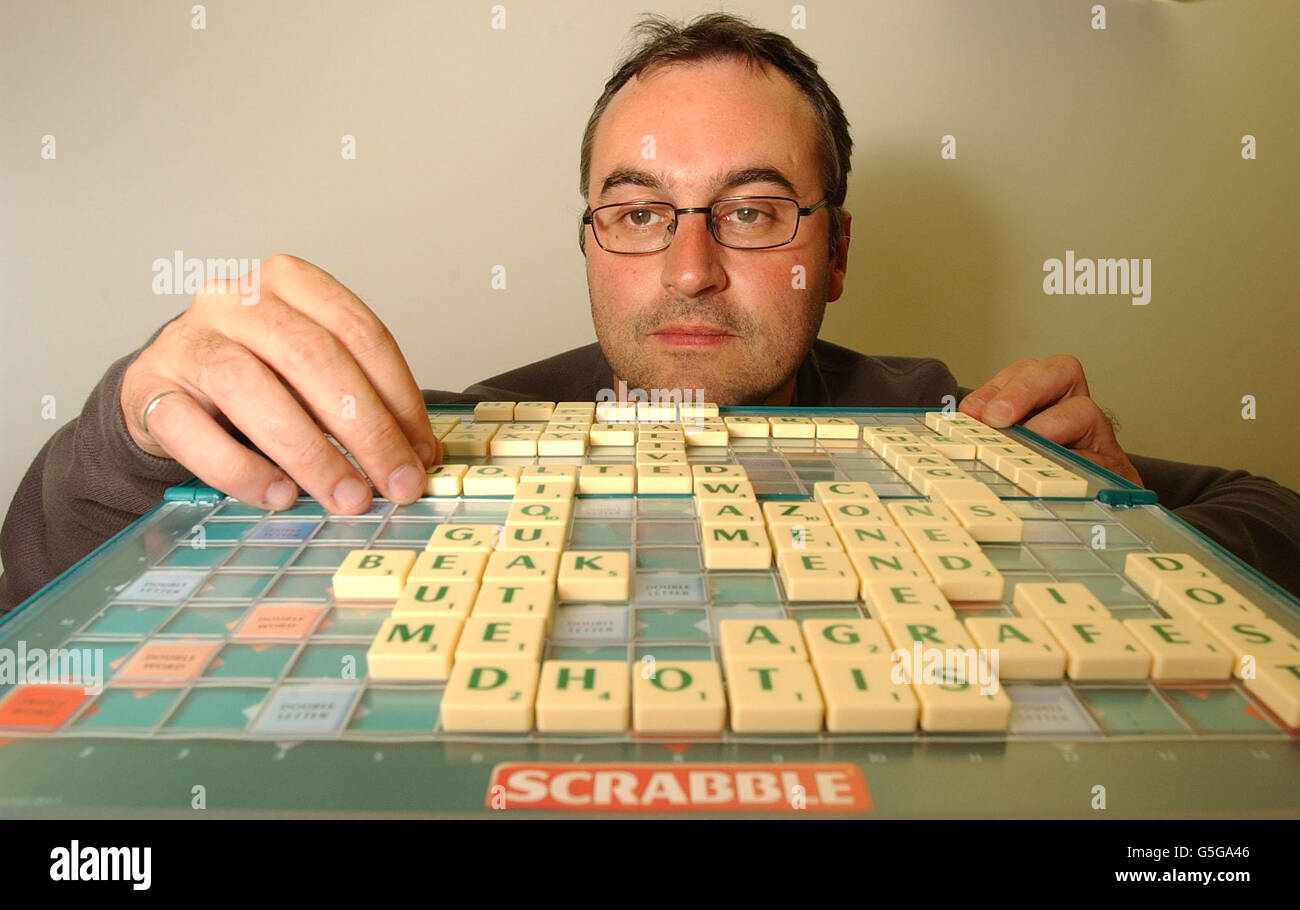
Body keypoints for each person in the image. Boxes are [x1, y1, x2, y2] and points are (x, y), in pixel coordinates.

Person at [2, 12, 1298, 613]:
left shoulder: (949, 418)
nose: (686, 268)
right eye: (636, 210)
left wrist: (1147, 530)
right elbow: (36, 593)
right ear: (587, 242)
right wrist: (129, 429)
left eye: (751, 210)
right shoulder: (453, 435)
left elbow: (1272, 517)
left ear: (834, 253)